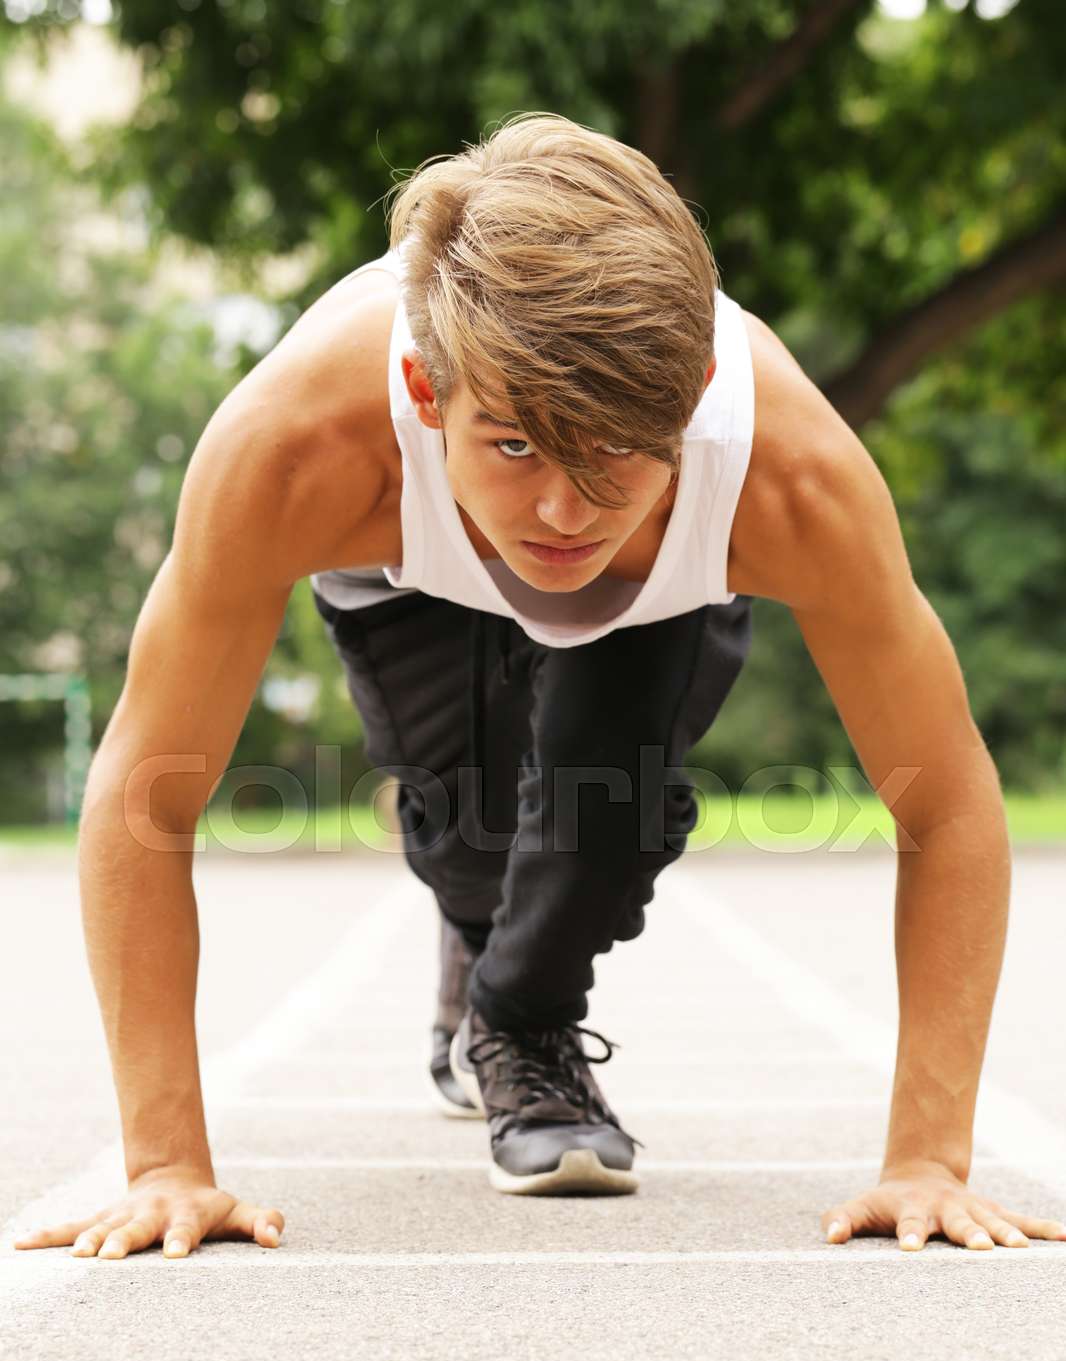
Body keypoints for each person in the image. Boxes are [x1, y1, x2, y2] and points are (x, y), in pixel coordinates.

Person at [16, 114, 1065, 1256]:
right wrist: (167, 1166)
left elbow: (947, 797)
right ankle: (472, 926)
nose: (564, 514)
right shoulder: (298, 447)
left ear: (697, 390)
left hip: (660, 586)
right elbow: (147, 790)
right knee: (471, 843)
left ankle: (518, 1019)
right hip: (398, 565)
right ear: (424, 390)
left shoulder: (788, 478)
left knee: (593, 831)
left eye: (613, 448)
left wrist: (926, 1159)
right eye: (514, 444)